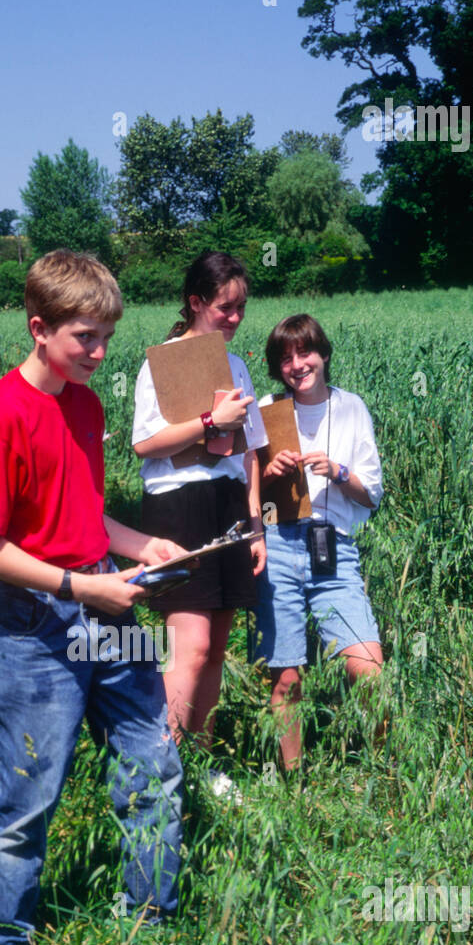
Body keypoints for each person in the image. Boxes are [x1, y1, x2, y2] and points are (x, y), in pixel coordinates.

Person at [0, 249, 188, 945]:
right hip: (37, 625)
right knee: (30, 804)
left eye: (105, 337)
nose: (97, 352)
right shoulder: (1, 413)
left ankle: (148, 925)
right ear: (39, 327)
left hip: (105, 602)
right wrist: (79, 588)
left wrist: (142, 543)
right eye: (83, 338)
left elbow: (86, 515)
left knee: (154, 768)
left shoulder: (85, 405)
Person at [130, 251, 266, 801]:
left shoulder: (236, 366)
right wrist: (210, 421)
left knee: (216, 649)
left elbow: (252, 449)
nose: (234, 318)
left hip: (229, 503)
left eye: (241, 308)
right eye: (224, 307)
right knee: (191, 644)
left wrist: (256, 524)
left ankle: (201, 762)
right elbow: (145, 444)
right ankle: (164, 767)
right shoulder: (162, 362)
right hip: (178, 507)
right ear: (195, 302)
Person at [251, 313, 384, 770]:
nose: (297, 364)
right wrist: (269, 476)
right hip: (279, 543)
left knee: (368, 670)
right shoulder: (266, 410)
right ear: (276, 368)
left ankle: (383, 772)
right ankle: (294, 783)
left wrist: (340, 472)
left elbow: (373, 494)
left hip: (334, 547)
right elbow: (250, 500)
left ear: (323, 355)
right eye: (285, 358)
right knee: (287, 677)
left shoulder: (352, 408)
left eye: (305, 352)